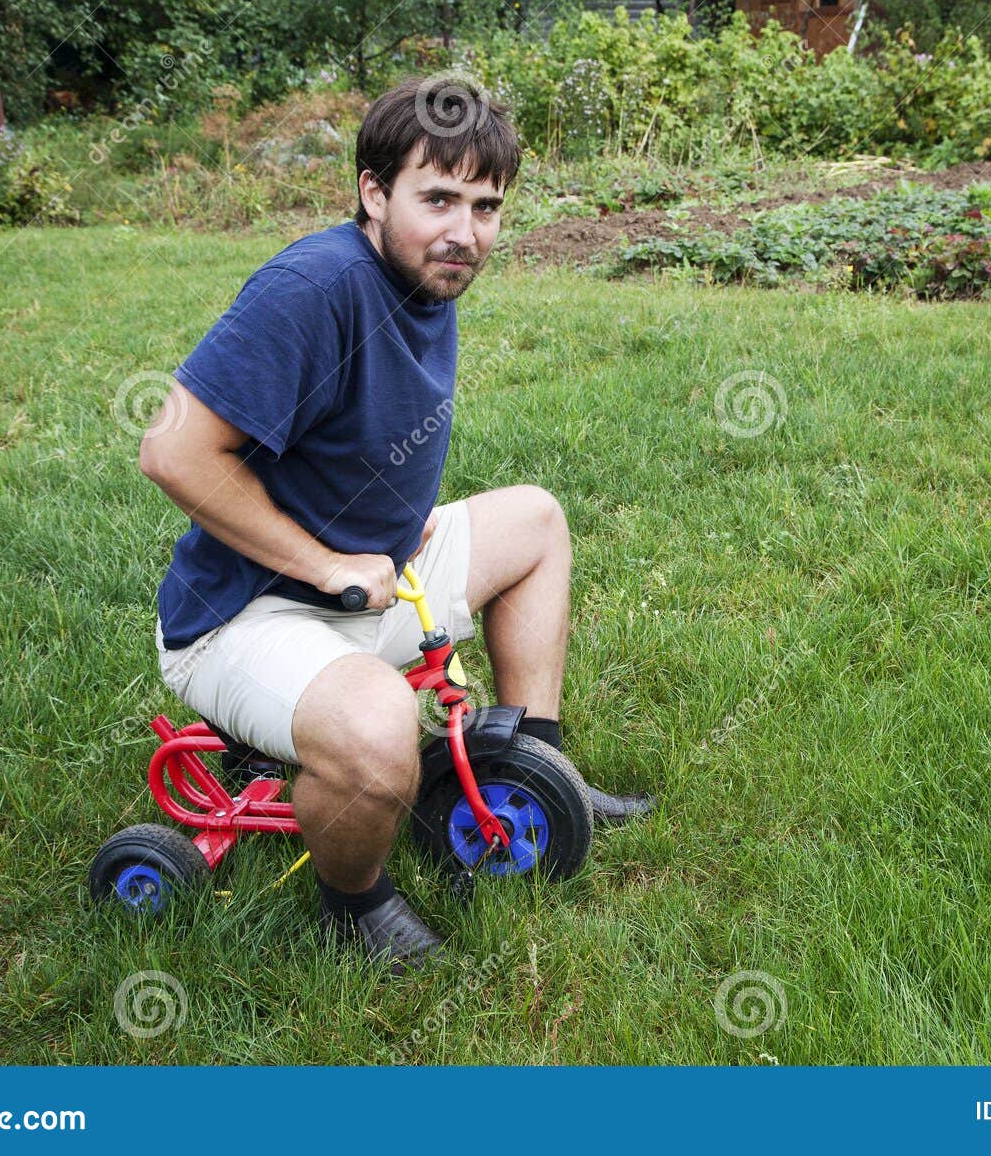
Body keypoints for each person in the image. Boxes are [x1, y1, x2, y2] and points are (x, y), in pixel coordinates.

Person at [138, 76, 653, 974]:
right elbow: (172, 454)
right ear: (373, 194)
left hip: (373, 571)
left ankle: (533, 768)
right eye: (439, 198)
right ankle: (354, 902)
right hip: (245, 618)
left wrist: (385, 531)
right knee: (381, 731)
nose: (466, 231)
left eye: (487, 206)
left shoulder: (424, 279)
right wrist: (327, 559)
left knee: (534, 520)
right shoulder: (314, 286)